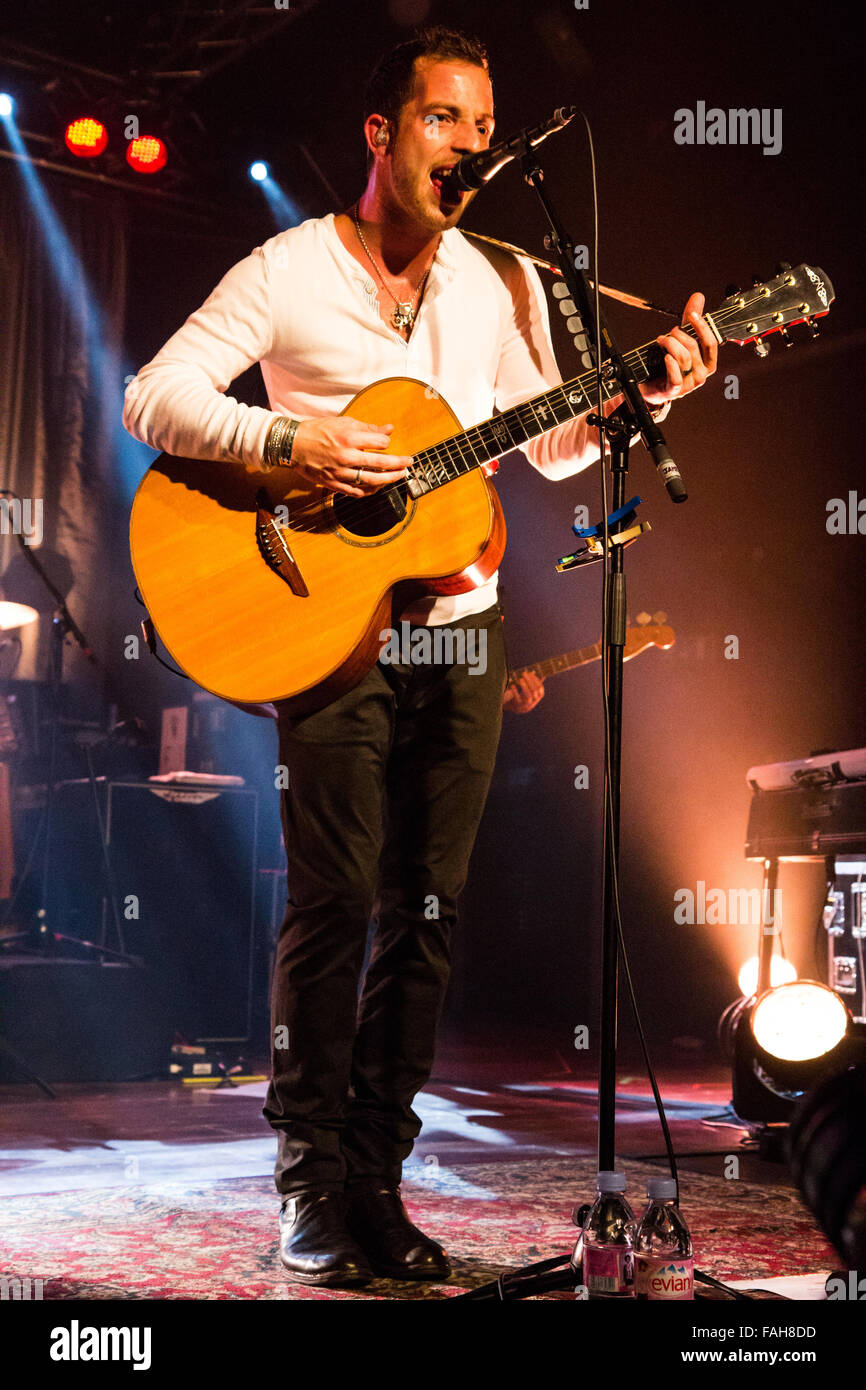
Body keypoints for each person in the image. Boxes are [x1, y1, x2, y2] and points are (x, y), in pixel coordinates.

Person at [122, 25, 717, 1288]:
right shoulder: (288, 270)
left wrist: (647, 389)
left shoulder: (494, 279)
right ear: (382, 134)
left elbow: (552, 445)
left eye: (483, 129)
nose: (470, 147)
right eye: (444, 120)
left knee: (424, 921)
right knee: (334, 907)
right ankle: (308, 1187)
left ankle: (378, 1185)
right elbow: (154, 397)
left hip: (461, 625)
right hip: (327, 623)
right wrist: (296, 448)